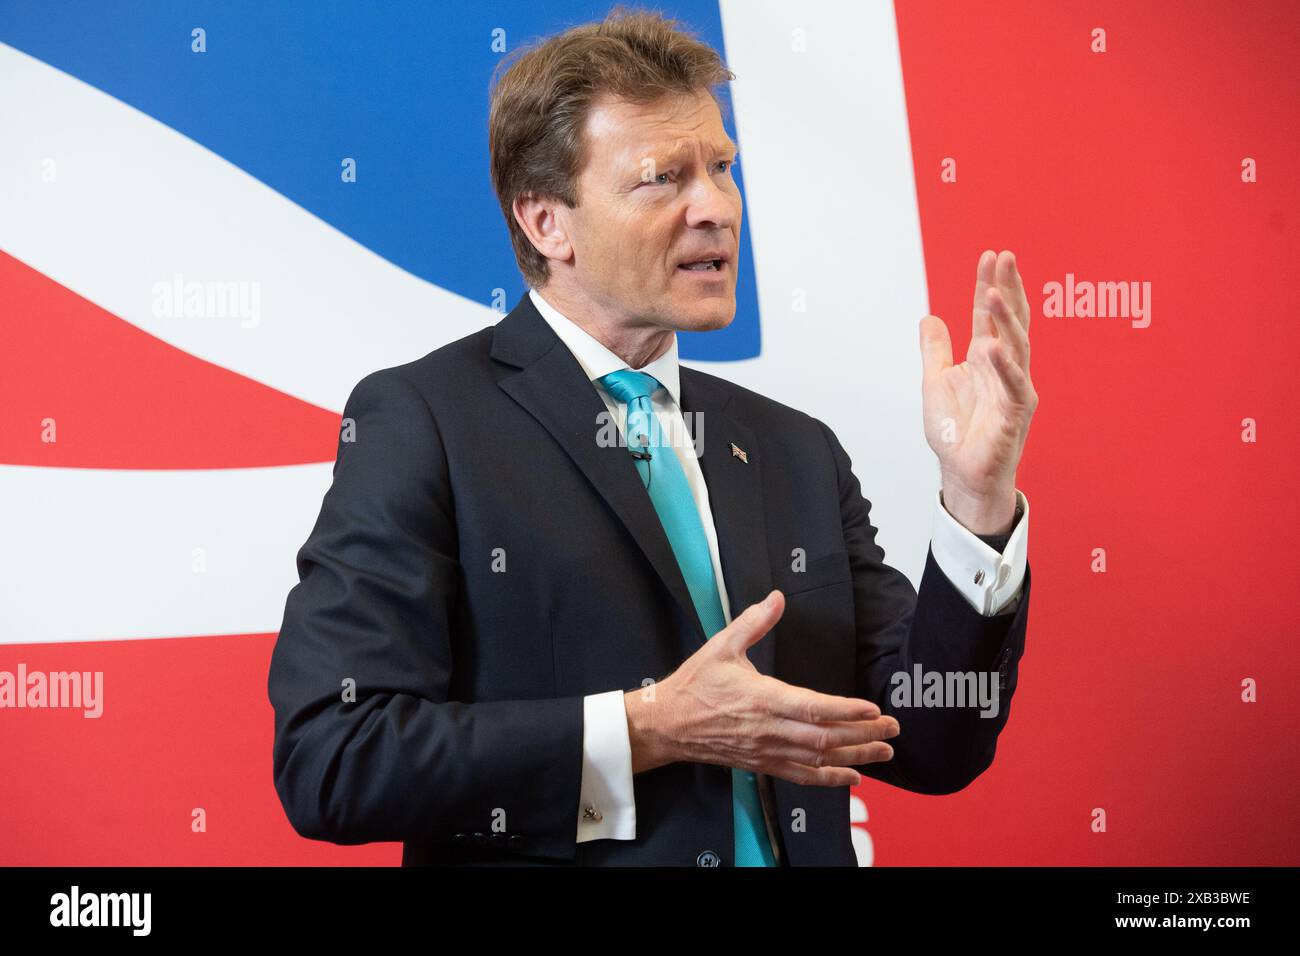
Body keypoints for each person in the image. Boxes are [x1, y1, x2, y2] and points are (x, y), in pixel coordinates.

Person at [268, 7, 1037, 867]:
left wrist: (976, 501)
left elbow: (934, 739)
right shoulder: (427, 423)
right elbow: (334, 758)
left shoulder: (795, 451)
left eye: (721, 167)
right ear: (545, 222)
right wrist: (645, 729)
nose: (716, 207)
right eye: (662, 178)